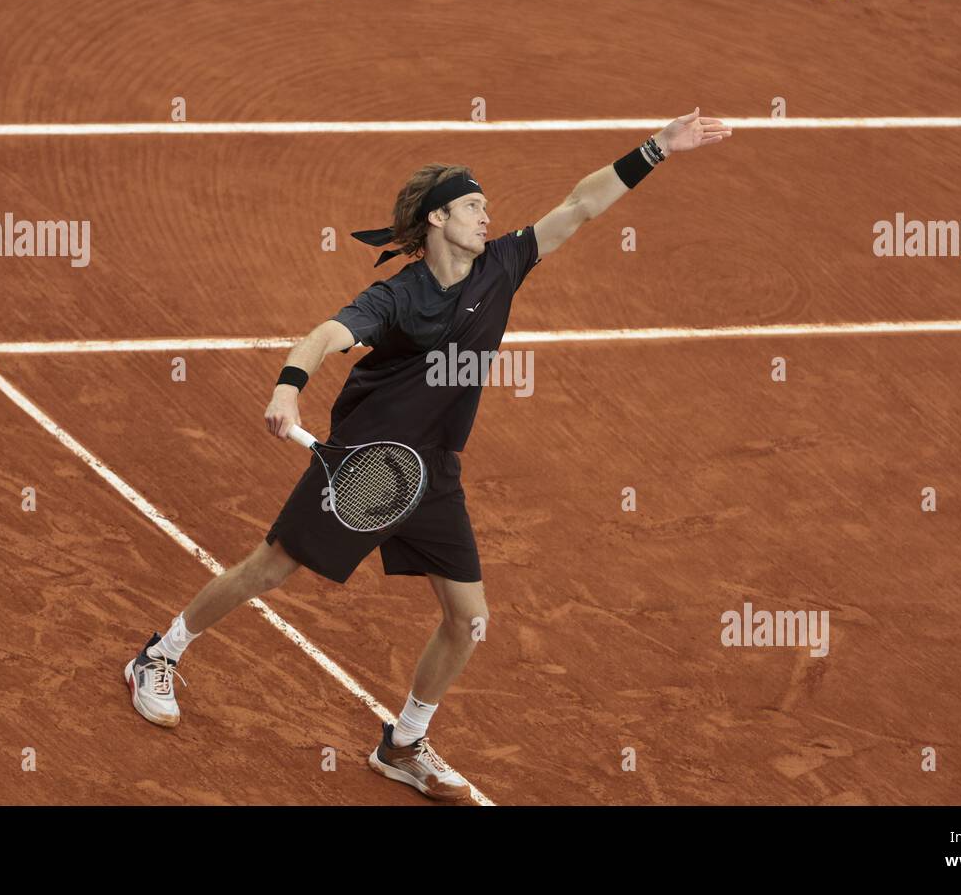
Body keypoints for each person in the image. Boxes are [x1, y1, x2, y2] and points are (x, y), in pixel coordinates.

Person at [124, 107, 732, 802]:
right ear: (438, 219)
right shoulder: (397, 298)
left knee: (468, 619)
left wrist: (659, 147)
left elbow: (581, 205)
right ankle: (158, 655)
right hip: (368, 463)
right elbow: (323, 335)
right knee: (272, 567)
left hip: (434, 470)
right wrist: (287, 390)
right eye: (474, 206)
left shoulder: (502, 266)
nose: (486, 216)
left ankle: (404, 743)